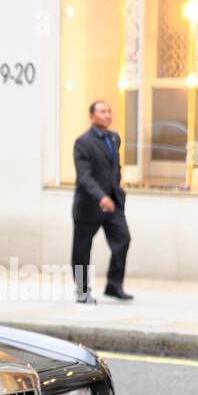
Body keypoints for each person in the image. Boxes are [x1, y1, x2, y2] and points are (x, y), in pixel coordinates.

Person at [71, 100, 133, 303]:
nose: (107, 115)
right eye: (102, 112)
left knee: (123, 239)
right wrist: (101, 197)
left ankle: (114, 286)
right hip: (89, 205)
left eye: (109, 111)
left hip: (113, 204)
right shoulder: (83, 143)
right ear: (92, 117)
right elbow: (85, 177)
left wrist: (115, 191)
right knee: (82, 250)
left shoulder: (114, 138)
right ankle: (82, 291)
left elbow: (115, 167)